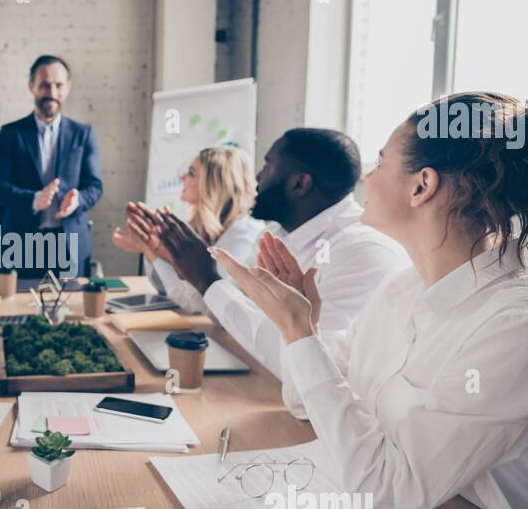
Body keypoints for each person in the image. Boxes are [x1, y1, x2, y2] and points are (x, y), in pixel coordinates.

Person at [211, 93, 528, 509]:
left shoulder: (527, 324)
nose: (366, 178)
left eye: (380, 162)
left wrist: (300, 334)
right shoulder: (398, 290)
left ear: (422, 185)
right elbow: (302, 403)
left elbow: (386, 492)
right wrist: (305, 325)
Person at [134, 128, 407, 376]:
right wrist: (198, 275)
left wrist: (207, 279)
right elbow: (228, 315)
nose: (257, 177)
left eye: (267, 165)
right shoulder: (278, 234)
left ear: (300, 184)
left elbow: (310, 369)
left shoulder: (362, 252)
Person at [0, 55, 103, 277]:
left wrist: (77, 199)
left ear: (68, 87)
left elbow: (95, 186)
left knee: (72, 310)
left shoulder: (83, 134)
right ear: (32, 86)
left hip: (70, 243)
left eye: (58, 85)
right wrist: (33, 199)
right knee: (21, 307)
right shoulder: (11, 134)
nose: (51, 92)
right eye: (44, 85)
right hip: (23, 243)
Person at [112, 145, 263, 313]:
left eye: (191, 173)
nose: (183, 177)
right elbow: (166, 289)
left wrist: (150, 250)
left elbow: (199, 305)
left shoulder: (243, 236)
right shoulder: (201, 227)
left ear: (213, 184)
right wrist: (152, 247)